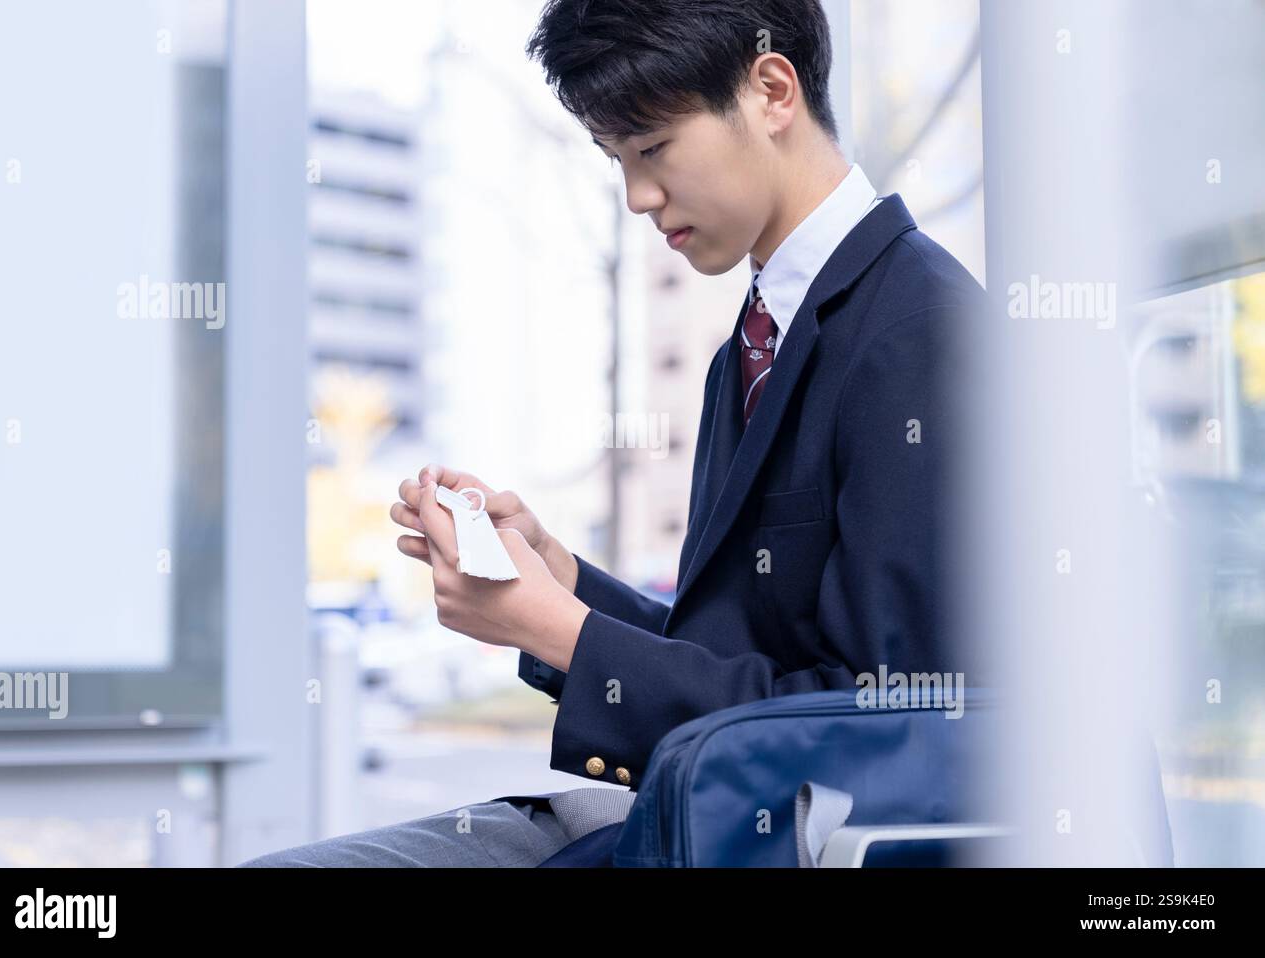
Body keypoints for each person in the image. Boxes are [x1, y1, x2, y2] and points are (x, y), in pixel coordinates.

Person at [239, 0, 984, 868]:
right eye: (615, 159)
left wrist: (559, 631)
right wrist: (565, 586)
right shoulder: (757, 341)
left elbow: (895, 728)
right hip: (705, 817)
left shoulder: (921, 332)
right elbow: (748, 663)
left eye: (653, 148)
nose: (637, 197)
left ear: (772, 91)